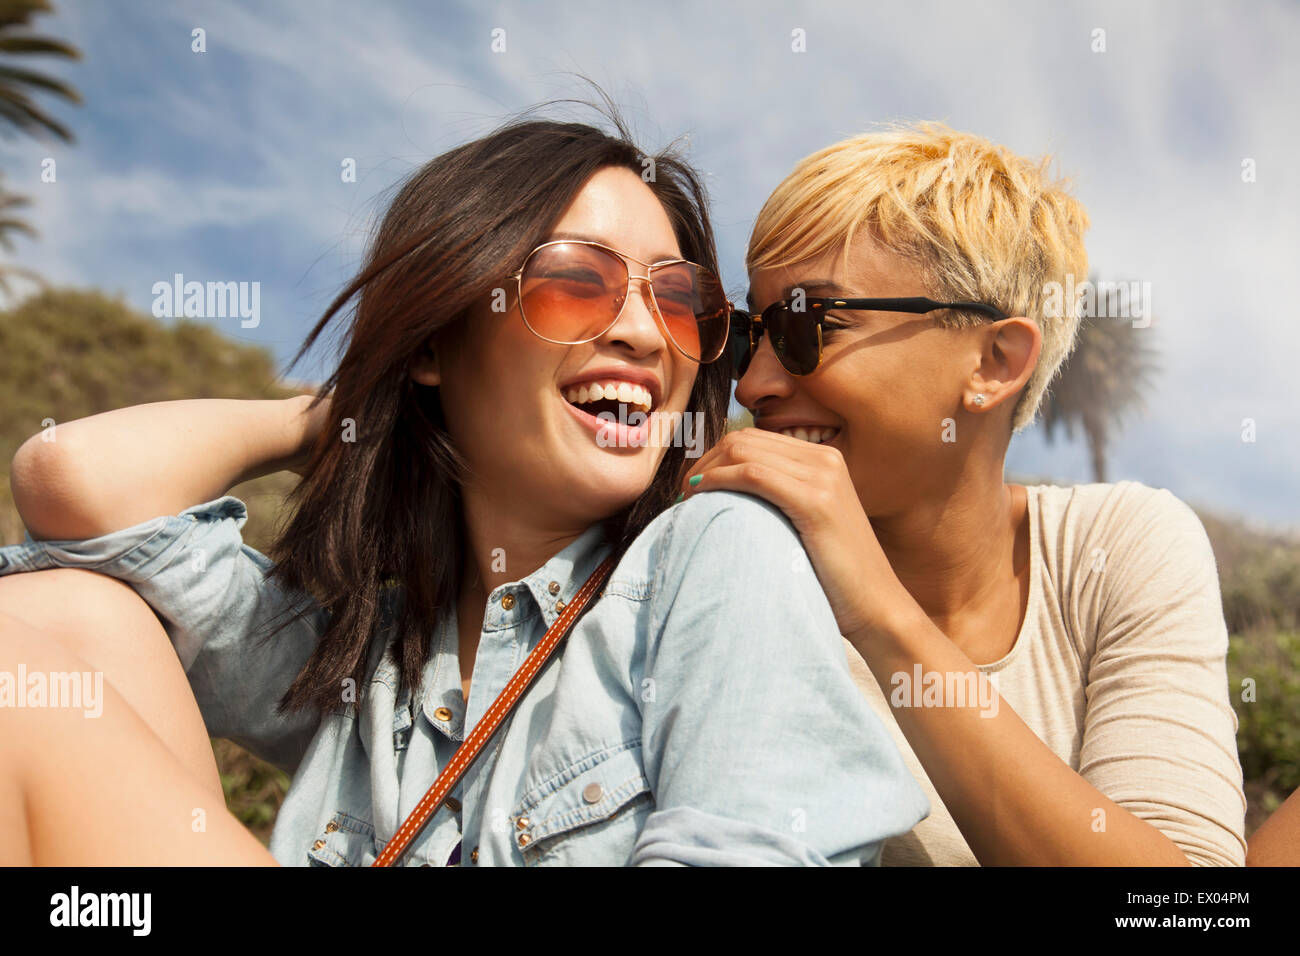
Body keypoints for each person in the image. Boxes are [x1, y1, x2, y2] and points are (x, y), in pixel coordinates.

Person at [0, 114, 927, 866]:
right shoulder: (363, 659)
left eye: (680, 301)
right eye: (578, 282)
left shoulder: (718, 554)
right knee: (66, 617)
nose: (646, 335)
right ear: (442, 335)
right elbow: (73, 483)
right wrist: (339, 414)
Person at [678, 121, 1247, 866]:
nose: (754, 385)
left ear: (994, 361)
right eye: (753, 334)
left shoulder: (1116, 548)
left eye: (806, 323)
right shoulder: (735, 563)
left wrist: (883, 617)